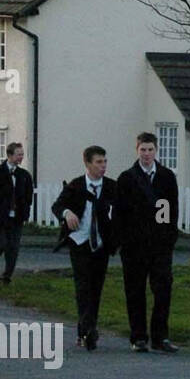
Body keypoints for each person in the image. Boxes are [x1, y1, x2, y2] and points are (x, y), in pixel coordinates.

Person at [114, 132, 181, 353]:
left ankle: (160, 337)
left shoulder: (166, 177)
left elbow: (170, 211)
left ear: (156, 150)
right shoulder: (127, 178)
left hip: (160, 246)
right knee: (135, 291)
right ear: (137, 150)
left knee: (163, 290)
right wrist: (125, 240)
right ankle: (139, 336)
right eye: (143, 149)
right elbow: (120, 214)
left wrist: (168, 238)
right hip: (134, 247)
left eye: (150, 149)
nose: (146, 154)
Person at [52, 145, 119, 351]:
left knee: (96, 288)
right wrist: (67, 213)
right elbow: (58, 205)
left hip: (100, 244)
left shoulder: (111, 187)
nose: (103, 166)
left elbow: (123, 210)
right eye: (98, 162)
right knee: (83, 285)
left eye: (105, 161)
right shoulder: (76, 186)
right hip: (80, 242)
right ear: (88, 164)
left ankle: (87, 329)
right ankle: (88, 330)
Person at [0, 142, 33, 285]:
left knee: (13, 248)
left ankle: (7, 276)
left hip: (16, 217)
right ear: (10, 155)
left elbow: (28, 197)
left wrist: (25, 213)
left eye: (22, 154)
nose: (21, 157)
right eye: (18, 154)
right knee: (0, 243)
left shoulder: (24, 175)